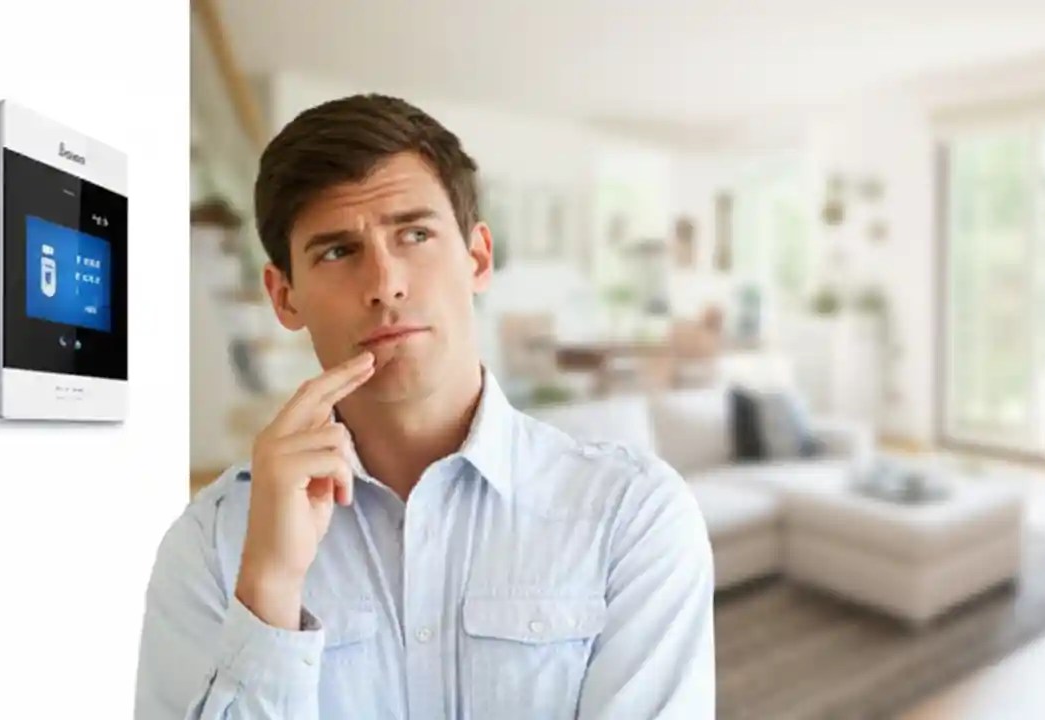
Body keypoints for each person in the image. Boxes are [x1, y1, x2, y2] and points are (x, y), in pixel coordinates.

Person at [134, 94, 714, 719]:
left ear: (478, 257)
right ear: (284, 297)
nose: (385, 284)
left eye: (414, 234)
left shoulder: (634, 514)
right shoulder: (210, 547)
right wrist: (269, 595)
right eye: (336, 251)